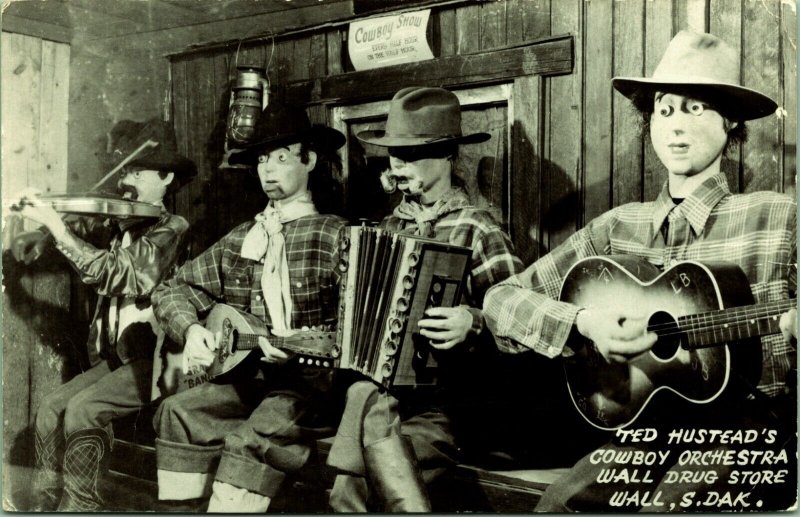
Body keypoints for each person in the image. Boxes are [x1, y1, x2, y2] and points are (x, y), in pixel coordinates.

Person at [483, 30, 797, 512]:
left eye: (695, 108)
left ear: (730, 121)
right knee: (557, 507)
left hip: (750, 436)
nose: (675, 126)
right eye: (665, 109)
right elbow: (501, 300)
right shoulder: (616, 227)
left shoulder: (779, 217)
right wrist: (583, 323)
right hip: (647, 433)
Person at [326, 86, 524, 512]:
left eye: (412, 154)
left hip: (453, 410)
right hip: (386, 405)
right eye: (394, 154)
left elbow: (523, 326)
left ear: (449, 155)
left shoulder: (479, 228)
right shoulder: (388, 228)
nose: (398, 164)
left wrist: (473, 321)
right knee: (363, 431)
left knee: (357, 476)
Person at [150, 101, 349, 512]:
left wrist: (306, 347)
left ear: (309, 160)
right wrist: (191, 330)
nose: (268, 169)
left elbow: (355, 327)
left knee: (248, 441)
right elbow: (171, 289)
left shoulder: (335, 235)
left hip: (310, 391)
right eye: (261, 160)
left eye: (281, 157)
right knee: (177, 412)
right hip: (248, 380)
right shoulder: (243, 237)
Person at [10, 119, 197, 511]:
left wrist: (55, 228)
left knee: (83, 409)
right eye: (125, 170)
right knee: (49, 410)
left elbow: (122, 273)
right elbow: (77, 229)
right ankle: (46, 505)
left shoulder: (172, 229)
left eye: (138, 172)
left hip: (160, 360)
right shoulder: (118, 225)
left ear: (166, 178)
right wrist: (37, 228)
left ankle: (81, 507)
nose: (127, 180)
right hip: (118, 357)